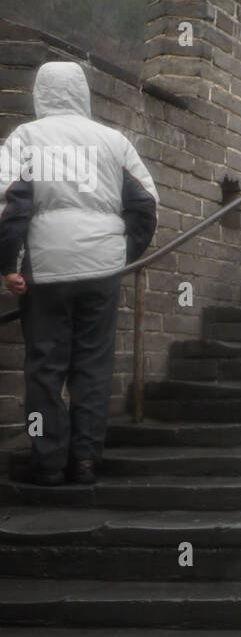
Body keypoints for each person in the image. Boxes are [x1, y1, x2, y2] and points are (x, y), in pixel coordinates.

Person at [0, 61, 158, 486]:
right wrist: (121, 255)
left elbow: (9, 206)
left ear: (40, 93)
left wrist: (9, 267)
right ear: (83, 93)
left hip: (45, 269)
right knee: (93, 365)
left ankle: (47, 462)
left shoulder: (25, 139)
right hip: (101, 269)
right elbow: (145, 204)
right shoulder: (113, 141)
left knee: (44, 369)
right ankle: (86, 460)